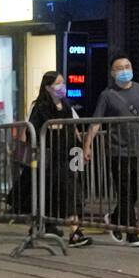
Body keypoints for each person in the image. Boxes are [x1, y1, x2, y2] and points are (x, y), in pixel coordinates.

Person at [83, 55, 139, 247]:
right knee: (124, 191)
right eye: (119, 68)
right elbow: (96, 122)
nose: (124, 70)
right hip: (116, 151)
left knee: (135, 189)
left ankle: (114, 217)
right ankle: (132, 234)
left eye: (127, 66)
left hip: (138, 149)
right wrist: (87, 145)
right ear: (113, 73)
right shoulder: (107, 95)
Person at [29, 71, 92, 247]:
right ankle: (73, 232)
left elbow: (74, 128)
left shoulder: (65, 105)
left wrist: (84, 146)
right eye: (58, 83)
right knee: (63, 190)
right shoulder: (41, 108)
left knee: (72, 188)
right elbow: (32, 131)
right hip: (51, 157)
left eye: (63, 83)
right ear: (48, 87)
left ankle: (53, 225)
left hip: (70, 153)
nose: (62, 86)